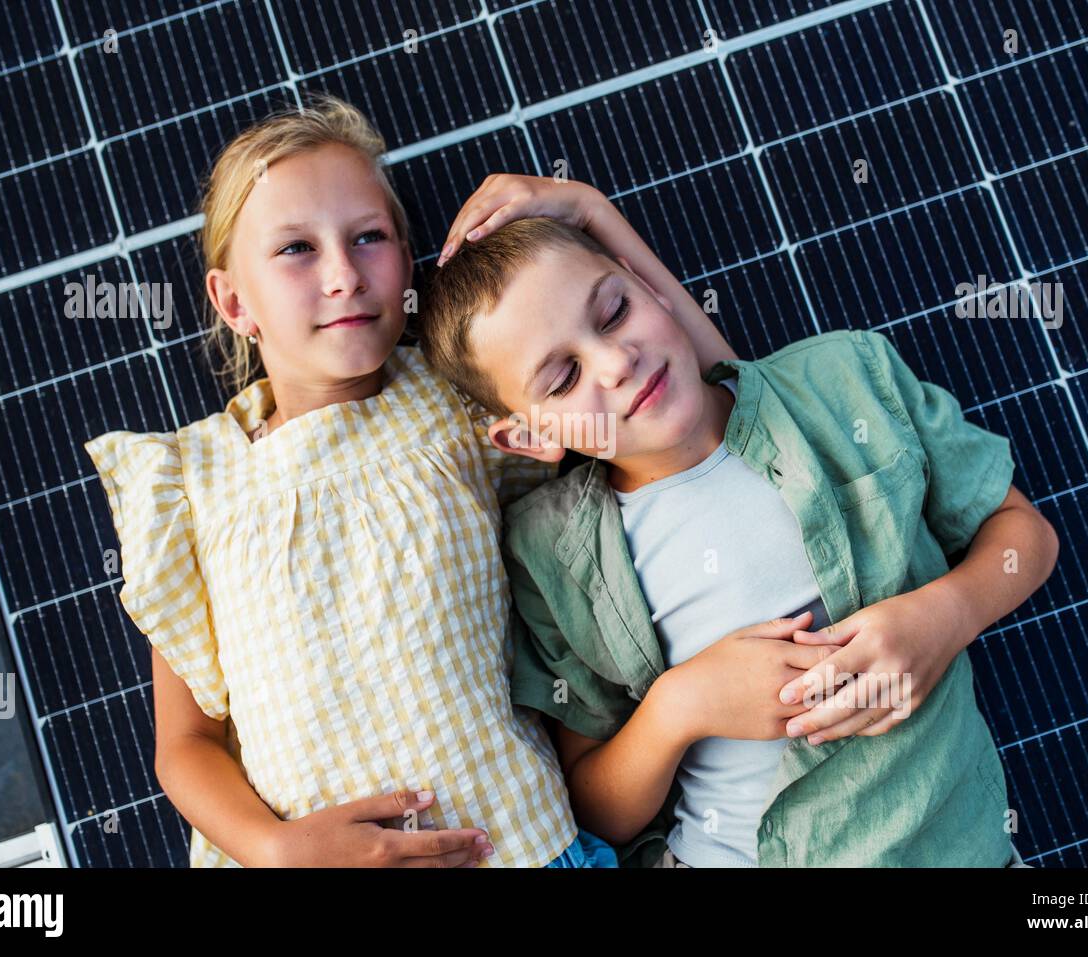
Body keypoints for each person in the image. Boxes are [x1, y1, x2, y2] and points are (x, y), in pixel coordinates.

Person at [84, 94, 732, 867]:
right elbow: (185, 745)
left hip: (529, 848)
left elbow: (714, 400)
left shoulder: (464, 402)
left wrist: (590, 215)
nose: (343, 276)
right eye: (296, 249)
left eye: (369, 238)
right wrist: (277, 848)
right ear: (233, 301)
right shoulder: (186, 483)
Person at [419, 217, 1060, 867]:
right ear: (529, 438)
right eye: (562, 380)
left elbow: (1024, 535)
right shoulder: (556, 552)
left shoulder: (838, 383)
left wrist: (942, 617)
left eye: (615, 311)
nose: (617, 362)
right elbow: (595, 809)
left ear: (649, 286)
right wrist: (680, 706)